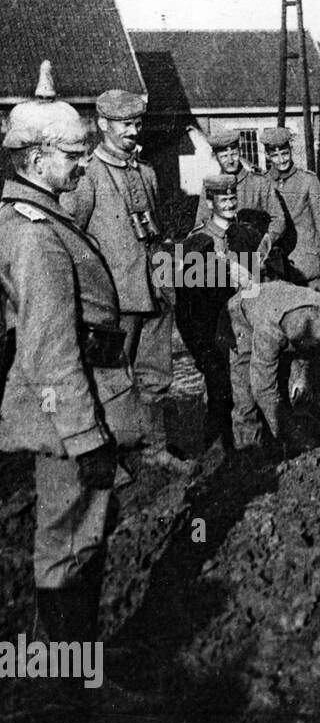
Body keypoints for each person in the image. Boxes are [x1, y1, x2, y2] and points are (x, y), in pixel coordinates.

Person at [0, 85, 146, 650]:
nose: (83, 162)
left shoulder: (39, 215)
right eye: (72, 153)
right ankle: (68, 687)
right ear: (37, 159)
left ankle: (74, 676)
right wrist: (86, 439)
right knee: (68, 543)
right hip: (69, 416)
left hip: (79, 403)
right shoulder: (36, 236)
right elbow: (50, 347)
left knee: (79, 536)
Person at [62, 88, 183, 470]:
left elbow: (156, 230)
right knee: (108, 380)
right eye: (125, 124)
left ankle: (154, 449)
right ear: (102, 125)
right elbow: (70, 238)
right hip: (113, 302)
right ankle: (106, 461)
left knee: (156, 377)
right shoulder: (87, 176)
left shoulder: (145, 171)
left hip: (153, 293)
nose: (134, 130)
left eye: (137, 123)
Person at [175, 174, 264, 448]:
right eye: (222, 199)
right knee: (219, 393)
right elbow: (185, 302)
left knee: (249, 392)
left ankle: (251, 446)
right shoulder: (197, 241)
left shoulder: (247, 236)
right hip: (212, 333)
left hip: (244, 330)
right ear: (210, 202)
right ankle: (222, 450)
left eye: (232, 198)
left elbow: (260, 283)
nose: (229, 204)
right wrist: (199, 348)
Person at [227, 280, 320, 453]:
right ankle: (251, 454)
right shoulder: (268, 331)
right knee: (246, 395)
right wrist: (289, 434)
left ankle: (318, 426)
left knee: (307, 384)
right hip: (240, 317)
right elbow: (263, 388)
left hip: (275, 302)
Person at [196, 127, 286, 264]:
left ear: (240, 152)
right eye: (224, 156)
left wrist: (264, 244)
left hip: (256, 258)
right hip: (221, 260)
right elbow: (201, 223)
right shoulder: (211, 187)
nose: (230, 160)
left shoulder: (259, 183)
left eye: (234, 154)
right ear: (215, 157)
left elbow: (279, 220)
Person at [261, 126, 320, 288]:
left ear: (291, 150)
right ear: (267, 156)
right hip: (276, 267)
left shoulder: (308, 180)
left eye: (285, 153)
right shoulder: (263, 183)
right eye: (275, 155)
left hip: (307, 265)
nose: (281, 160)